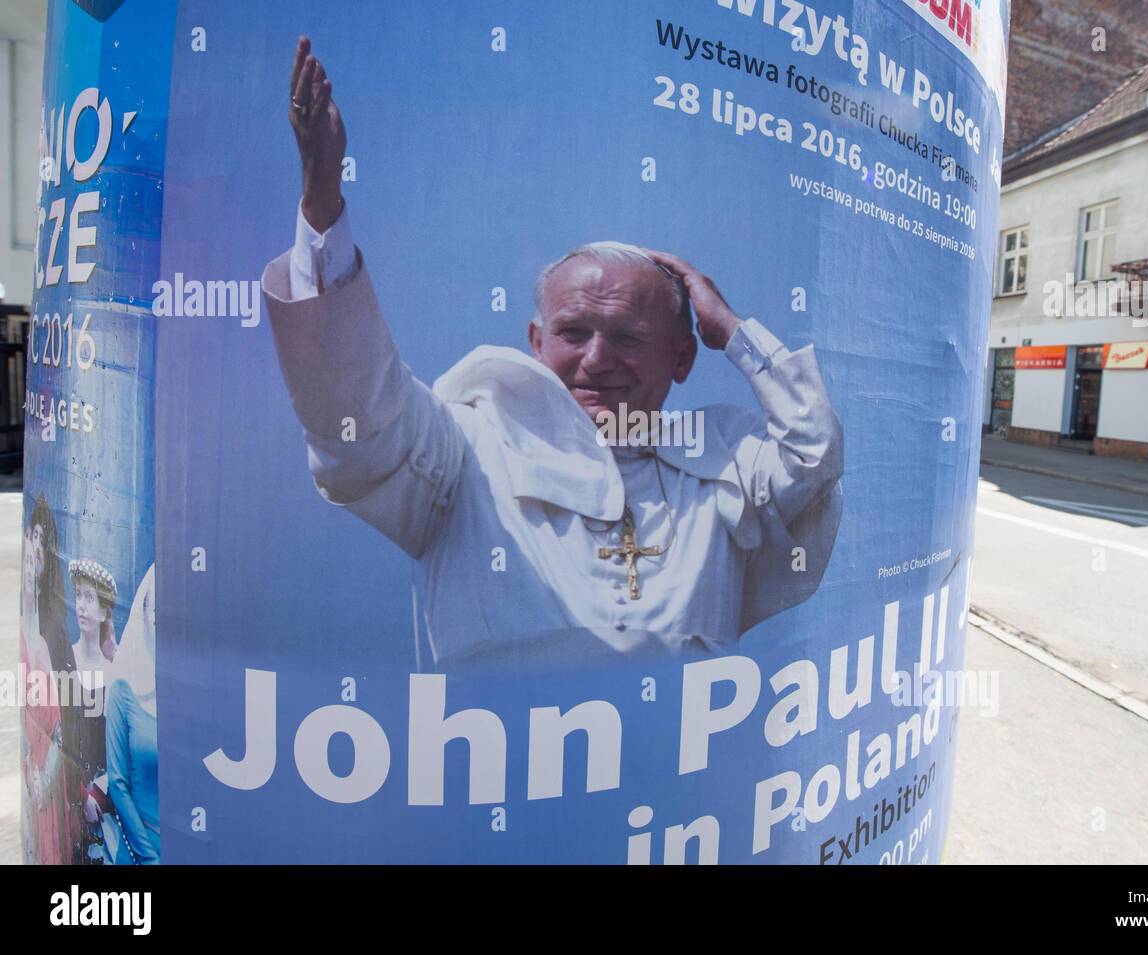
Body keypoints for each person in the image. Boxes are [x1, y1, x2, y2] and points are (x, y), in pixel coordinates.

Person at [262, 38, 844, 665]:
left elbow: (814, 456)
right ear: (536, 344)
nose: (596, 360)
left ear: (681, 358)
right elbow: (357, 423)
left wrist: (730, 327)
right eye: (573, 333)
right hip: (508, 757)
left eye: (629, 338)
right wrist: (323, 201)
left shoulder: (725, 458)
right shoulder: (468, 451)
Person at [20, 494, 78, 865]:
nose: (35, 551)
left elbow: (63, 718)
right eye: (32, 537)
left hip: (51, 772)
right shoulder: (28, 621)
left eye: (43, 543)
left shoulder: (51, 630)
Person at [106, 566, 160, 864]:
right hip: (139, 855)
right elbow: (118, 785)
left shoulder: (193, 694)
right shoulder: (122, 692)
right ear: (143, 610)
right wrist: (150, 859)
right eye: (156, 610)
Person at [67, 556, 118, 862]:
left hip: (101, 812)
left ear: (104, 611)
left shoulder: (114, 674)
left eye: (90, 597)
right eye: (77, 596)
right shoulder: (64, 662)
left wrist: (96, 794)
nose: (82, 606)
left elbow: (121, 754)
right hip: (66, 798)